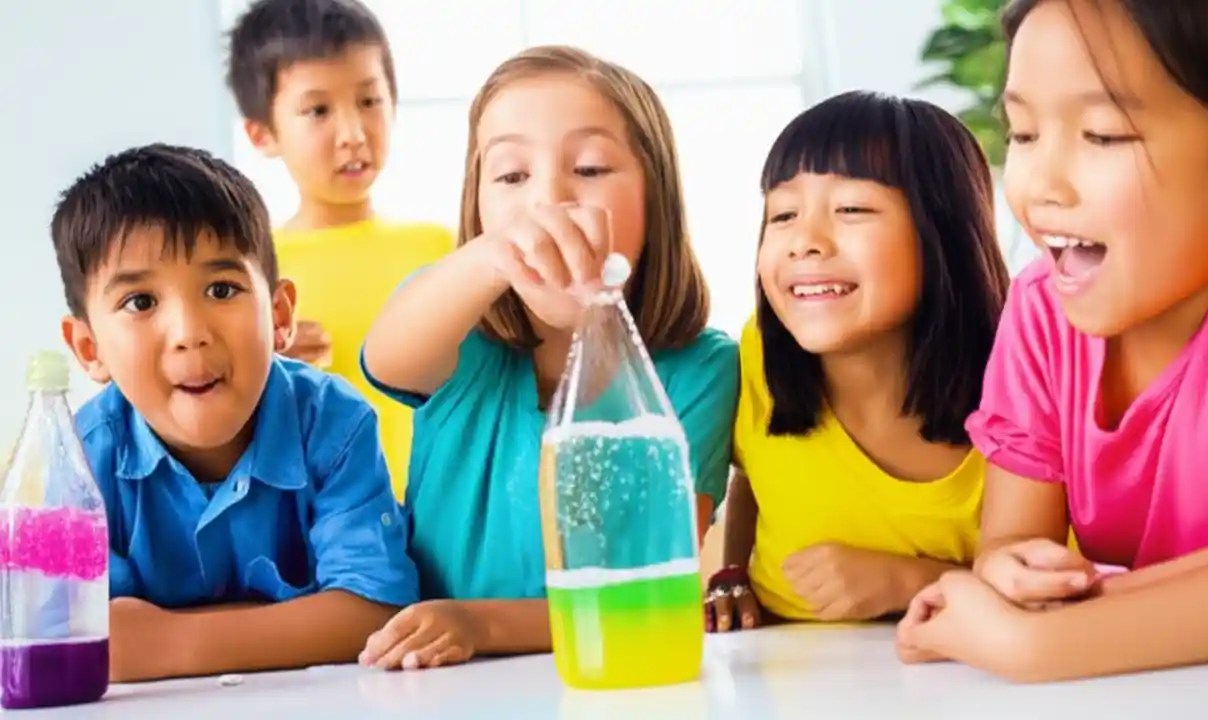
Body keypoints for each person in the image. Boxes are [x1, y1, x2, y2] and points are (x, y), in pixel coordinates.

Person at [897, 0, 1208, 681]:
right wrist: (1016, 574)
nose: (1040, 184)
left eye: (1103, 135)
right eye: (1021, 134)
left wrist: (1029, 645)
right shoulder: (1043, 314)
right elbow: (1012, 542)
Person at [357, 46, 738, 670]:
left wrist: (476, 623)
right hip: (429, 686)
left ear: (656, 195)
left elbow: (642, 587)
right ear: (477, 204)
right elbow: (389, 356)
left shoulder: (700, 369)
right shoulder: (461, 344)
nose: (549, 200)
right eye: (511, 176)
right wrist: (496, 255)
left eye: (589, 169)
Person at [54, 144, 418, 682]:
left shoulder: (334, 425)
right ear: (89, 349)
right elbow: (83, 632)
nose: (190, 334)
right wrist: (297, 621)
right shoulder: (79, 462)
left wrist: (170, 642)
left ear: (279, 315)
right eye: (140, 302)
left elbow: (376, 612)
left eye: (221, 289)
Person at [705, 91, 1008, 632]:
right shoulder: (756, 353)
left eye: (851, 209)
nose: (805, 241)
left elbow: (1074, 579)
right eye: (783, 214)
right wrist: (731, 572)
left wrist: (908, 580)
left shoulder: (1024, 386)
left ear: (943, 232)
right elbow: (755, 471)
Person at [227, 0, 454, 498]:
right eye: (318, 110)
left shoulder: (446, 252)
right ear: (262, 133)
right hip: (325, 533)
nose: (353, 134)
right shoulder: (246, 273)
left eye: (370, 101)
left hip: (439, 518)